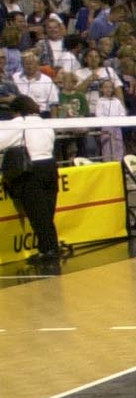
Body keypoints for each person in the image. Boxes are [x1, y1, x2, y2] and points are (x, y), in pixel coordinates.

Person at [0, 96, 59, 269]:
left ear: (16, 111)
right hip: (50, 167)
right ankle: (47, 248)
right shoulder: (44, 123)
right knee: (47, 213)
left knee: (38, 215)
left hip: (32, 170)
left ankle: (49, 250)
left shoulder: (19, 123)